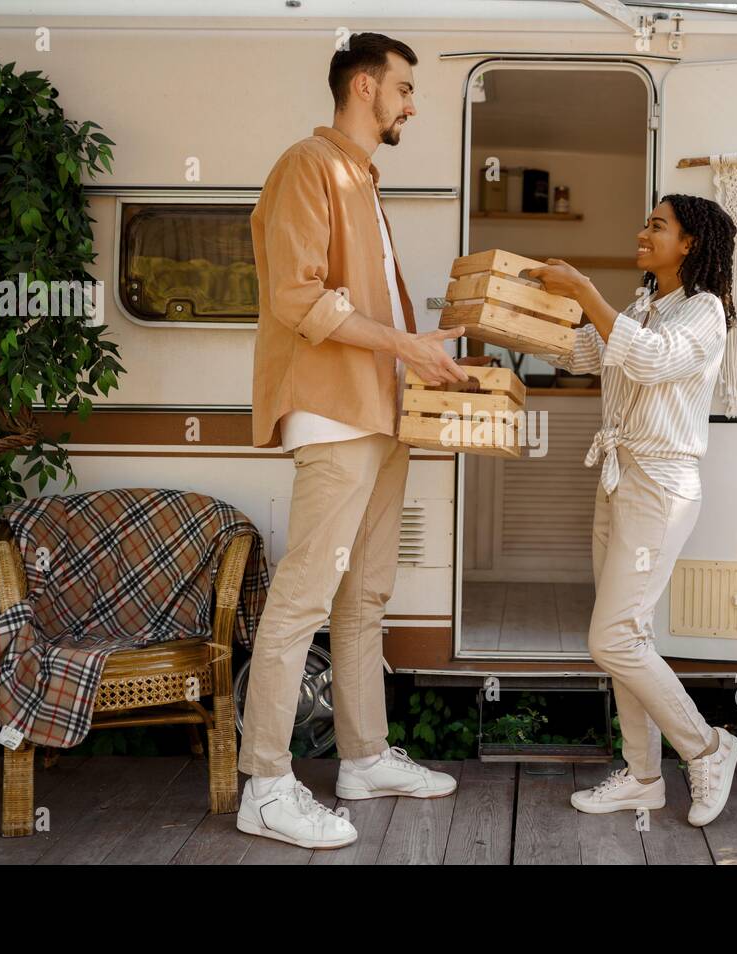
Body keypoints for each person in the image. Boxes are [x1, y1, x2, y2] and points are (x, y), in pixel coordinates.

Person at [240, 32, 484, 849]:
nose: (413, 104)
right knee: (302, 600)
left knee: (365, 596)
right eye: (406, 88)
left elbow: (365, 313)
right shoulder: (306, 167)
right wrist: (406, 346)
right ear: (364, 85)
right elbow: (296, 298)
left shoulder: (363, 180)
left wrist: (423, 352)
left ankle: (364, 757)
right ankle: (266, 786)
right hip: (334, 415)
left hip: (381, 416)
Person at [527, 195, 737, 827]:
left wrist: (587, 290)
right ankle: (645, 778)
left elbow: (650, 359)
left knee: (613, 636)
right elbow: (587, 355)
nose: (643, 232)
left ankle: (706, 747)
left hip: (660, 488)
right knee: (630, 637)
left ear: (690, 243)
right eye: (645, 220)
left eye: (657, 225)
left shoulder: (706, 313)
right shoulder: (646, 303)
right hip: (621, 481)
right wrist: (500, 324)